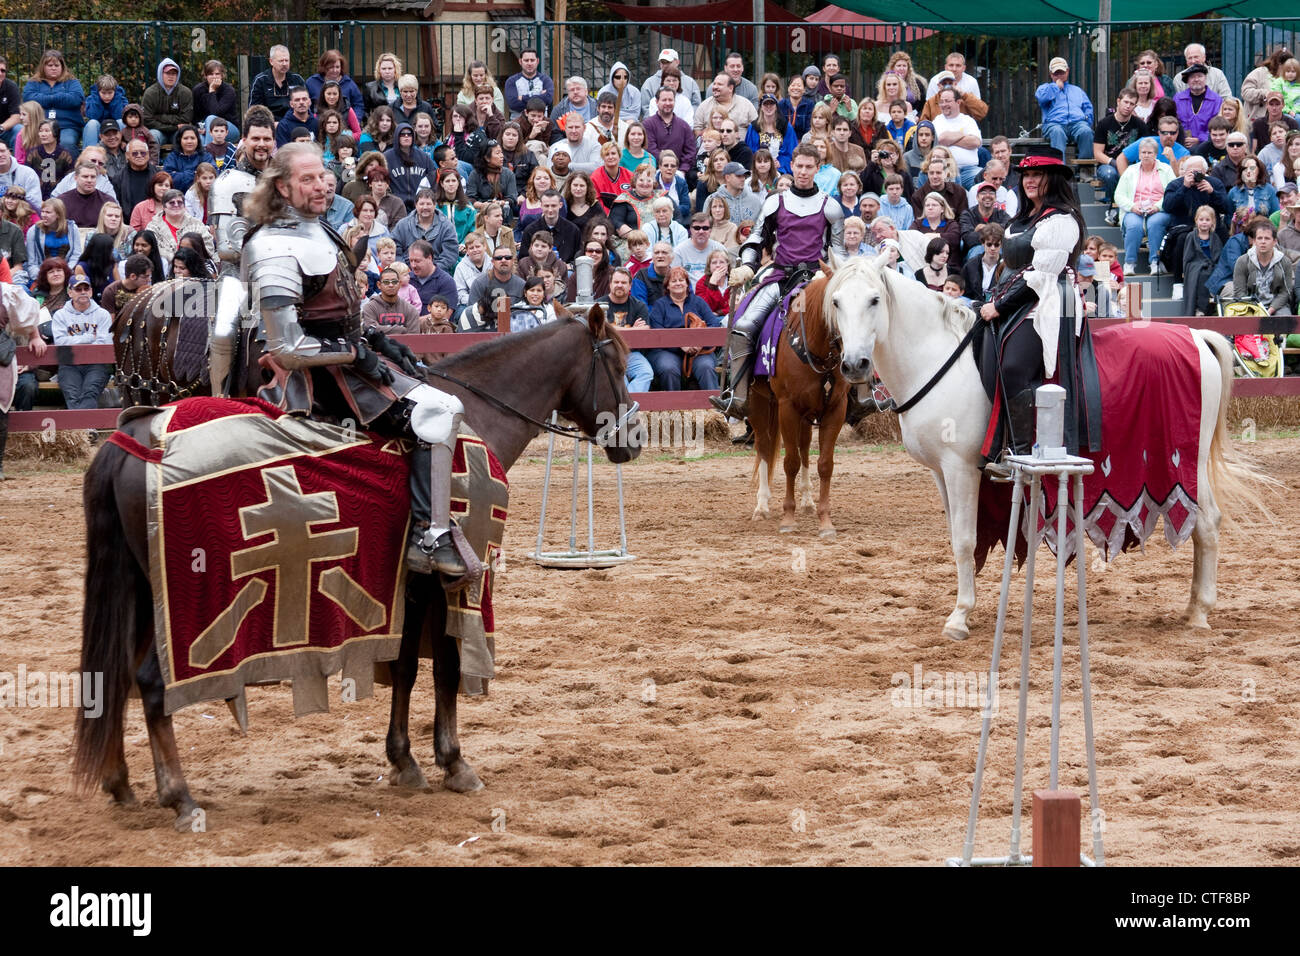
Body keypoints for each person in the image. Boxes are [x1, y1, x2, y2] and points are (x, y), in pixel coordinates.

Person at [239, 141, 467, 574]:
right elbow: (287, 346)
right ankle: (429, 537)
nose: (321, 186)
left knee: (439, 396)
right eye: (307, 179)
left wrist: (377, 339)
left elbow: (339, 309)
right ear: (283, 188)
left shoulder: (320, 229)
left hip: (346, 357)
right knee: (440, 411)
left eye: (322, 175)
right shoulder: (272, 245)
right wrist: (357, 355)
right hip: (314, 379)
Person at [978, 145, 1095, 475]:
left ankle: (1023, 454)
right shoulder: (1022, 220)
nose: (1029, 180)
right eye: (1026, 174)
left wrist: (998, 306)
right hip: (1015, 295)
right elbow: (1012, 267)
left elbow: (1040, 275)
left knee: (1014, 367)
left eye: (1037, 174)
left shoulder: (1062, 221)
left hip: (1047, 302)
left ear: (1053, 179)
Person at [710, 145, 843, 418]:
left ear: (818, 168)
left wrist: (832, 277)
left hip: (816, 278)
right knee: (744, 325)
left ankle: (864, 395)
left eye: (809, 167)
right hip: (781, 275)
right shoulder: (775, 202)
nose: (804, 171)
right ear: (791, 166)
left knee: (852, 324)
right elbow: (756, 239)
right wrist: (748, 265)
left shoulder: (831, 207)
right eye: (800, 166)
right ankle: (740, 396)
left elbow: (838, 252)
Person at [647, 266, 721, 391]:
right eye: (674, 281)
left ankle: (712, 407)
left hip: (699, 350)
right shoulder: (660, 305)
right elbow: (657, 331)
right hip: (667, 350)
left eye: (681, 280)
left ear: (687, 284)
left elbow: (714, 325)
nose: (678, 283)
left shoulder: (699, 302)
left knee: (706, 367)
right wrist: (679, 344)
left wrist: (699, 344)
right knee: (668, 368)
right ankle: (673, 407)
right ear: (667, 286)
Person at [50, 273, 112, 409]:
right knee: (73, 395)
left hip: (96, 363)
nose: (83, 292)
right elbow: (60, 342)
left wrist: (73, 341)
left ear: (91, 291)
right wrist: (89, 338)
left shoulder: (102, 314)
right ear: (70, 292)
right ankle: (84, 428)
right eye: (78, 289)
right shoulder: (60, 315)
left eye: (86, 289)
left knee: (90, 392)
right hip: (69, 363)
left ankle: (82, 428)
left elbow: (103, 343)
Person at [1115, 137, 1176, 275]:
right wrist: (1132, 207)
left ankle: (1155, 262)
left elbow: (1172, 193)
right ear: (1139, 154)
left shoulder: (1166, 170)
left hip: (1159, 209)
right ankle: (1129, 263)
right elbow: (1118, 195)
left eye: (1150, 152)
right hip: (1135, 209)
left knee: (1155, 223)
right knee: (1133, 225)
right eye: (1143, 152)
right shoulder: (1130, 171)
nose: (1146, 155)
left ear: (1155, 154)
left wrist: (1157, 206)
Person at [598, 267, 654, 391]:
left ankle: (629, 407)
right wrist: (633, 329)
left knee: (646, 372)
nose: (619, 285)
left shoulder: (639, 305)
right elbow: (599, 329)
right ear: (610, 284)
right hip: (607, 353)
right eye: (616, 282)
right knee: (619, 376)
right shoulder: (599, 305)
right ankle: (628, 407)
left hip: (631, 353)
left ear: (630, 286)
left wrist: (611, 327)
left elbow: (645, 330)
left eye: (623, 283)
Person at [22, 50, 84, 154]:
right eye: (50, 65)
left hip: (67, 126)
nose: (54, 68)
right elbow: (28, 99)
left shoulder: (72, 82)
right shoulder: (34, 82)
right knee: (33, 143)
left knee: (66, 143)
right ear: (43, 67)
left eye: (57, 65)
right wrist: (60, 98)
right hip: (39, 126)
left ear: (62, 66)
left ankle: (70, 170)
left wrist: (46, 98)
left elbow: (76, 99)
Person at [1037, 58, 1094, 161]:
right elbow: (1041, 98)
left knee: (1086, 131)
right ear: (1051, 74)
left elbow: (1088, 108)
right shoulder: (1045, 88)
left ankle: (1085, 172)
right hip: (1054, 124)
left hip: (1077, 124)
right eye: (1056, 73)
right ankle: (1059, 172)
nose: (1059, 76)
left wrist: (1086, 121)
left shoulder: (1077, 90)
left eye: (1062, 72)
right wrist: (1056, 87)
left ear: (1067, 71)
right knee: (1057, 132)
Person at [1233, 219, 1294, 313]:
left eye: (1267, 238)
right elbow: (1239, 292)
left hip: (1277, 307)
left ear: (1274, 242)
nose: (1263, 242)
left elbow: (1286, 292)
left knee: (1284, 320)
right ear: (1254, 241)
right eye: (1259, 238)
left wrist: (1270, 310)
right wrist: (1256, 310)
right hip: (1249, 305)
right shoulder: (1242, 261)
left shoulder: (1285, 262)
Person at [141, 58, 194, 146]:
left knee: (186, 137)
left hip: (178, 131)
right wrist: (173, 127)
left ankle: (183, 160)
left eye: (174, 73)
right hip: (157, 130)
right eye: (168, 73)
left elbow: (186, 118)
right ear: (161, 74)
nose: (171, 76)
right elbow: (147, 120)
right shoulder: (150, 93)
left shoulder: (185, 92)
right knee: (152, 136)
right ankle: (153, 160)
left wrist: (158, 117)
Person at [248, 45, 306, 121]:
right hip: (268, 123)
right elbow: (254, 110)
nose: (284, 64)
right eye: (281, 61)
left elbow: (306, 104)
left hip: (293, 121)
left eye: (287, 60)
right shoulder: (260, 81)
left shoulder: (297, 79)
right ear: (271, 61)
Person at [193, 60, 241, 145]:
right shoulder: (198, 90)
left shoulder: (229, 91)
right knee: (199, 139)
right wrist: (199, 128)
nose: (214, 77)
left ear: (222, 75)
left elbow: (216, 113)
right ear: (205, 76)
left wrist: (212, 91)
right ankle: (207, 157)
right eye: (211, 74)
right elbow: (195, 116)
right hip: (205, 129)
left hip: (229, 129)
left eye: (217, 74)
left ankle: (208, 157)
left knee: (211, 118)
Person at [1170, 43, 1234, 100]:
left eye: (1196, 57)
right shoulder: (1179, 78)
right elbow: (1177, 102)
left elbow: (1226, 99)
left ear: (1204, 57)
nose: (1193, 61)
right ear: (1186, 60)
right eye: (1190, 58)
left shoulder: (1217, 74)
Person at [504, 48, 553, 118]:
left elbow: (548, 99)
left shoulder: (546, 80)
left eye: (532, 60)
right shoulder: (511, 81)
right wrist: (539, 96)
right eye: (526, 60)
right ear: (520, 61)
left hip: (540, 123)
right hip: (518, 125)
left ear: (537, 61)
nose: (529, 63)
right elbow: (513, 104)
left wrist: (523, 98)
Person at [82, 74, 126, 149]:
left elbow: (120, 115)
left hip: (115, 131)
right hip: (99, 131)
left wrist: (115, 99)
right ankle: (89, 154)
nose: (107, 96)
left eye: (110, 93)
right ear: (98, 91)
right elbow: (93, 116)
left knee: (121, 121)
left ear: (114, 91)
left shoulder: (121, 99)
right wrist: (96, 98)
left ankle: (124, 152)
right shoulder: (91, 99)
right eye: (103, 93)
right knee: (92, 123)